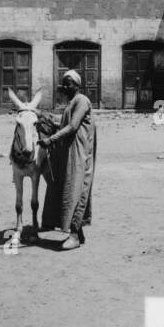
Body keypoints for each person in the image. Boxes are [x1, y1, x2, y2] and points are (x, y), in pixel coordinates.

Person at [39, 69, 96, 250]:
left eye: (69, 82)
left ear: (77, 85)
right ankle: (78, 233)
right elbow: (65, 125)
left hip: (80, 154)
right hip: (70, 153)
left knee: (76, 189)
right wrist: (47, 121)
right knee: (67, 187)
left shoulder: (82, 101)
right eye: (64, 82)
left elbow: (72, 127)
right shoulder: (71, 103)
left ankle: (74, 236)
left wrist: (51, 139)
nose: (66, 85)